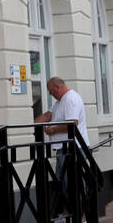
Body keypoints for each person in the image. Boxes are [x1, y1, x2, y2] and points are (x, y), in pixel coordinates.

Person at [35, 77, 88, 208]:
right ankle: (68, 214)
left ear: (57, 87)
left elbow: (72, 124)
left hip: (73, 148)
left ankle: (81, 216)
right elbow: (48, 115)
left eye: (51, 91)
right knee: (63, 183)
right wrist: (29, 123)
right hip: (63, 148)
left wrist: (52, 129)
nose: (50, 94)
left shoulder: (70, 99)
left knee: (74, 182)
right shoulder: (60, 101)